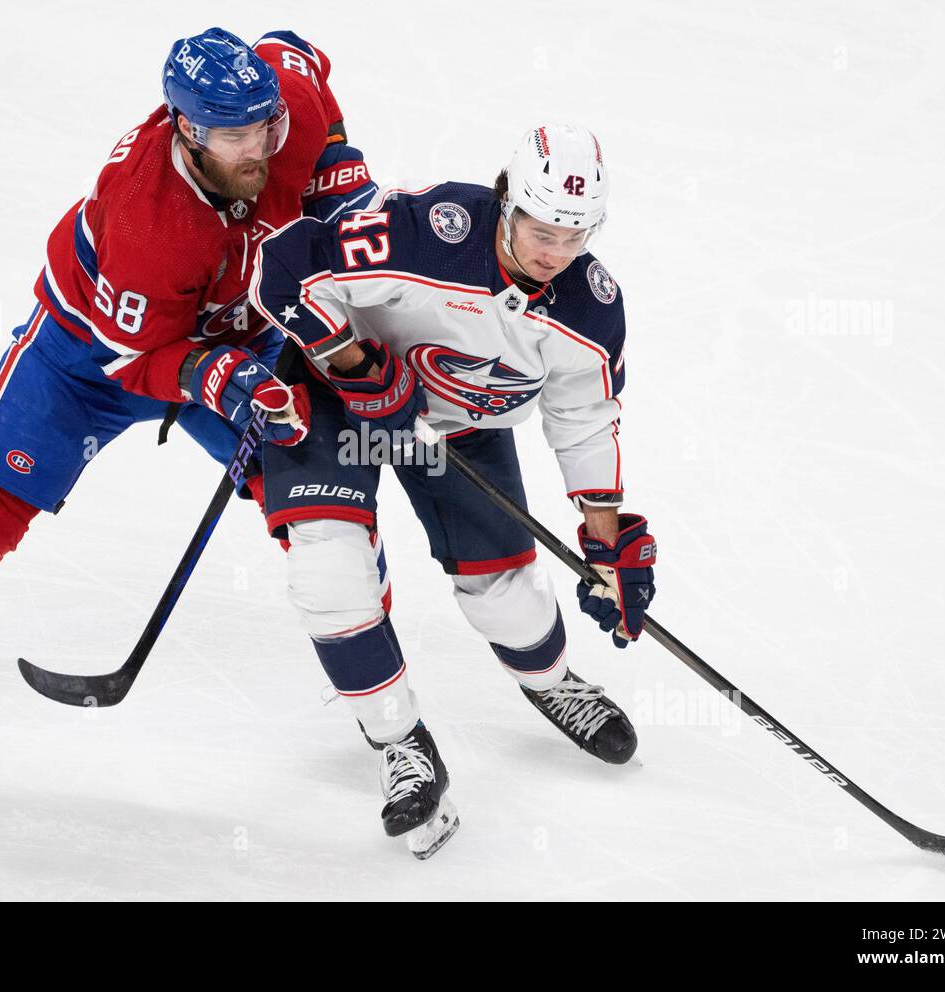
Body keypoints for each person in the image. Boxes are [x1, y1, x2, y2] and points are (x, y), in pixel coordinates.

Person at [0, 27, 378, 721]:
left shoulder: (283, 104)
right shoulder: (148, 220)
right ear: (188, 130)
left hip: (243, 336)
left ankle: (383, 704)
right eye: (236, 136)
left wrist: (336, 164)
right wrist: (213, 378)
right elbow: (136, 359)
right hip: (90, 359)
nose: (261, 147)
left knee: (326, 506)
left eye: (266, 126)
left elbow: (297, 52)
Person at [248, 124, 657, 857]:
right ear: (507, 202)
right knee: (328, 574)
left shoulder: (592, 307)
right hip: (338, 402)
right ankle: (399, 743)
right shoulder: (423, 234)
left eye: (575, 236)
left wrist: (605, 540)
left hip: (463, 426)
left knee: (508, 596)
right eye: (542, 231)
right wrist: (353, 363)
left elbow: (584, 417)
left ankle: (552, 681)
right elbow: (284, 267)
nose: (555, 253)